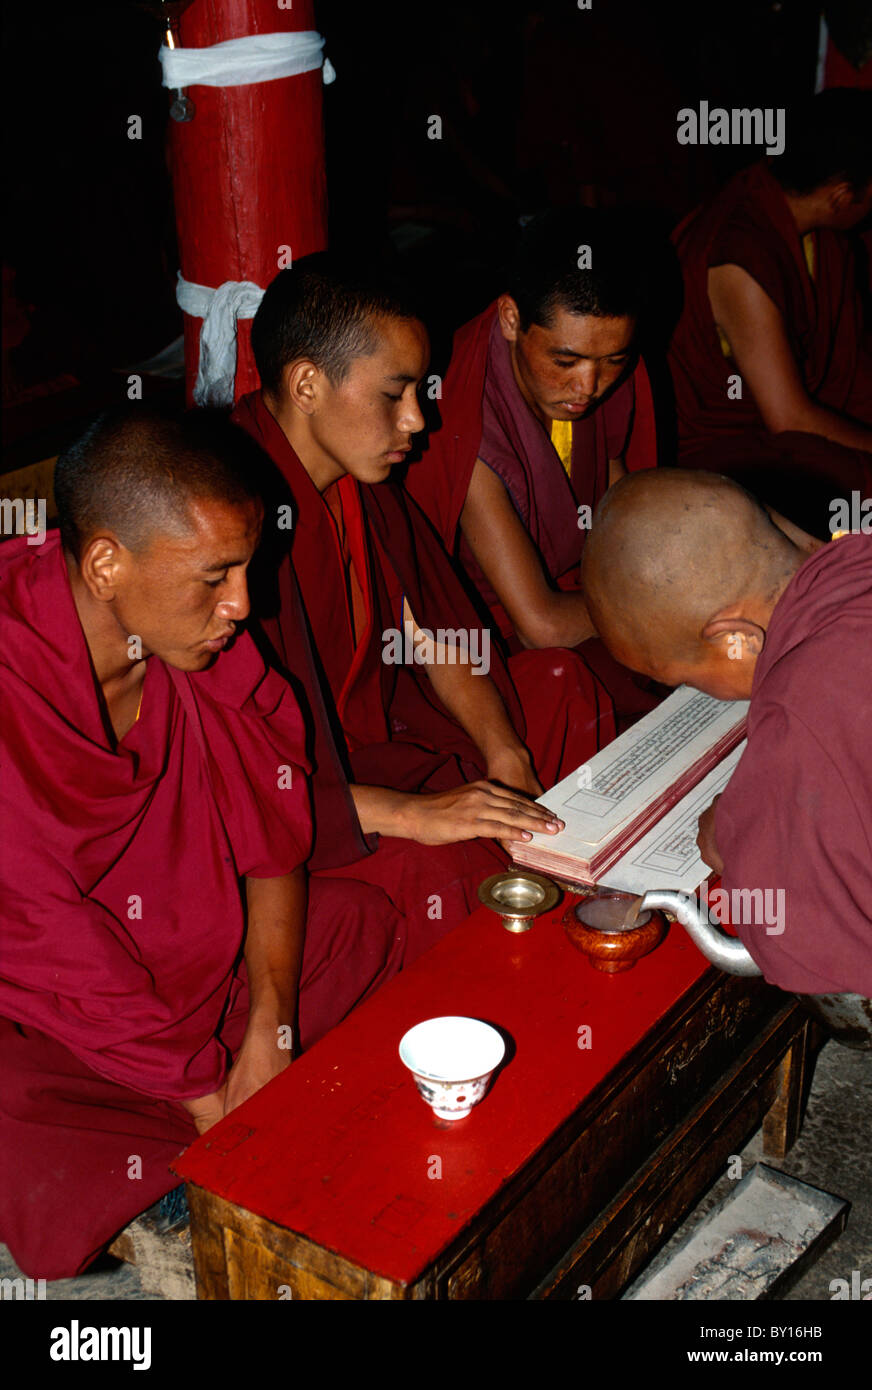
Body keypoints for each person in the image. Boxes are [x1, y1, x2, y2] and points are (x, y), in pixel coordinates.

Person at [0, 408, 409, 1279]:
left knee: (365, 918)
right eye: (215, 577)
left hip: (197, 981)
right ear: (106, 563)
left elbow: (275, 842)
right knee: (14, 1107)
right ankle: (178, 1144)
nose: (243, 607)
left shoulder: (198, 647)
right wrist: (202, 1096)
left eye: (248, 570)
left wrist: (273, 1024)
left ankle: (170, 1156)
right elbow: (43, 933)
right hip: (52, 1014)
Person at [234, 256, 618, 942]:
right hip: (307, 798)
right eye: (396, 393)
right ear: (305, 384)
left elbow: (430, 633)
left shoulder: (361, 482)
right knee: (452, 861)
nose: (418, 420)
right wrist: (417, 812)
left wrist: (505, 753)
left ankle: (590, 879)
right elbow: (226, 777)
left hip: (385, 739)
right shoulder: (222, 512)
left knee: (560, 685)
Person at [580, 467, 871, 998]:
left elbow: (812, 947)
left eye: (687, 679)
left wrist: (735, 838)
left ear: (736, 639)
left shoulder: (807, 704)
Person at [403, 209, 660, 724]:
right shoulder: (461, 419)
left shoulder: (600, 354)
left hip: (587, 595)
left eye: (613, 362)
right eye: (565, 362)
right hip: (488, 643)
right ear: (511, 319)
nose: (589, 387)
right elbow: (538, 624)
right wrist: (662, 605)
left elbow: (623, 506)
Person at [669, 90, 872, 534]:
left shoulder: (816, 228)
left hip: (779, 424)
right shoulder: (740, 256)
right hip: (725, 444)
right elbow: (789, 419)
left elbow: (846, 362)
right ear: (841, 196)